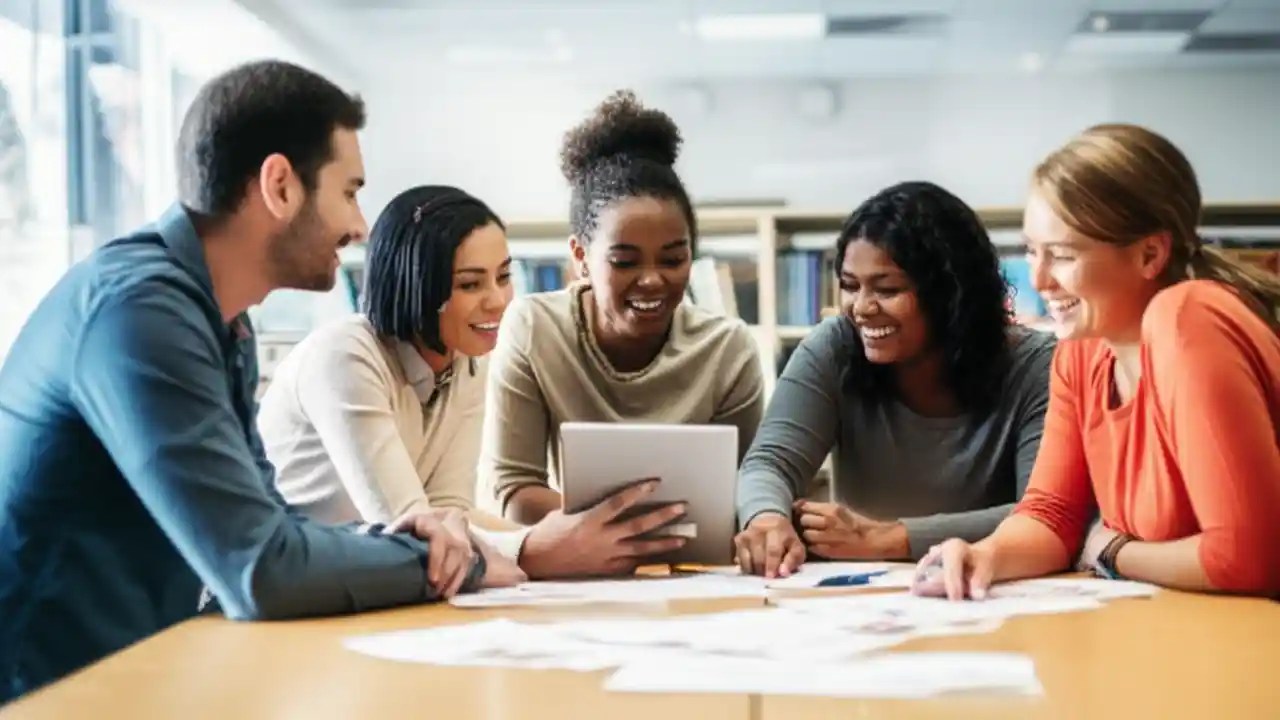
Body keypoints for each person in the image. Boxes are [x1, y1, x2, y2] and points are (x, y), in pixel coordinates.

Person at [0, 60, 521, 703]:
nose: (359, 227)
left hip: (136, 672)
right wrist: (441, 560)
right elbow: (261, 570)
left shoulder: (219, 320)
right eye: (349, 192)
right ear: (280, 186)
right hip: (46, 694)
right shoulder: (140, 311)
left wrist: (395, 541)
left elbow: (272, 528)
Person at [914, 124, 1280, 600]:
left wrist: (1111, 551)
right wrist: (986, 555)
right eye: (1031, 251)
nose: (1039, 280)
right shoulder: (1082, 352)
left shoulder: (1189, 318)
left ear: (1150, 254)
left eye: (1063, 256)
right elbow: (1052, 516)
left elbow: (1247, 560)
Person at [258, 184, 688, 576]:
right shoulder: (345, 356)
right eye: (470, 284)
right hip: (294, 587)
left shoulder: (466, 363)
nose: (498, 301)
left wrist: (554, 537)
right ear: (415, 285)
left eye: (503, 277)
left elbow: (450, 513)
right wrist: (533, 548)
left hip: (370, 582)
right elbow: (411, 529)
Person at [478, 90, 766, 574]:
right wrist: (636, 530)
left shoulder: (727, 349)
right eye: (625, 261)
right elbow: (511, 491)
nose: (653, 280)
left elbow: (750, 489)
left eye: (673, 259)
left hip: (694, 576)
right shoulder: (533, 329)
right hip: (578, 568)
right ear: (580, 258)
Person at [734, 181, 1056, 578]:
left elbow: (1045, 513)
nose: (861, 308)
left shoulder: (1035, 366)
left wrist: (891, 538)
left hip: (992, 584)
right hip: (864, 591)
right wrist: (766, 518)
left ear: (951, 294)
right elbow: (769, 462)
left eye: (886, 289)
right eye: (850, 286)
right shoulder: (835, 347)